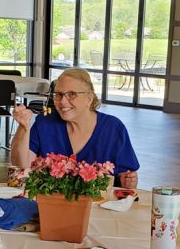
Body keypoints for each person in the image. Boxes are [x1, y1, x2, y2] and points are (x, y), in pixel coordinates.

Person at [10, 67, 139, 189]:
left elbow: (126, 176)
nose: (63, 102)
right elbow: (21, 165)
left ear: (89, 98)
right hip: (50, 205)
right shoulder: (44, 123)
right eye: (59, 94)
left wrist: (128, 180)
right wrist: (23, 128)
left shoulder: (113, 128)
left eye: (72, 94)